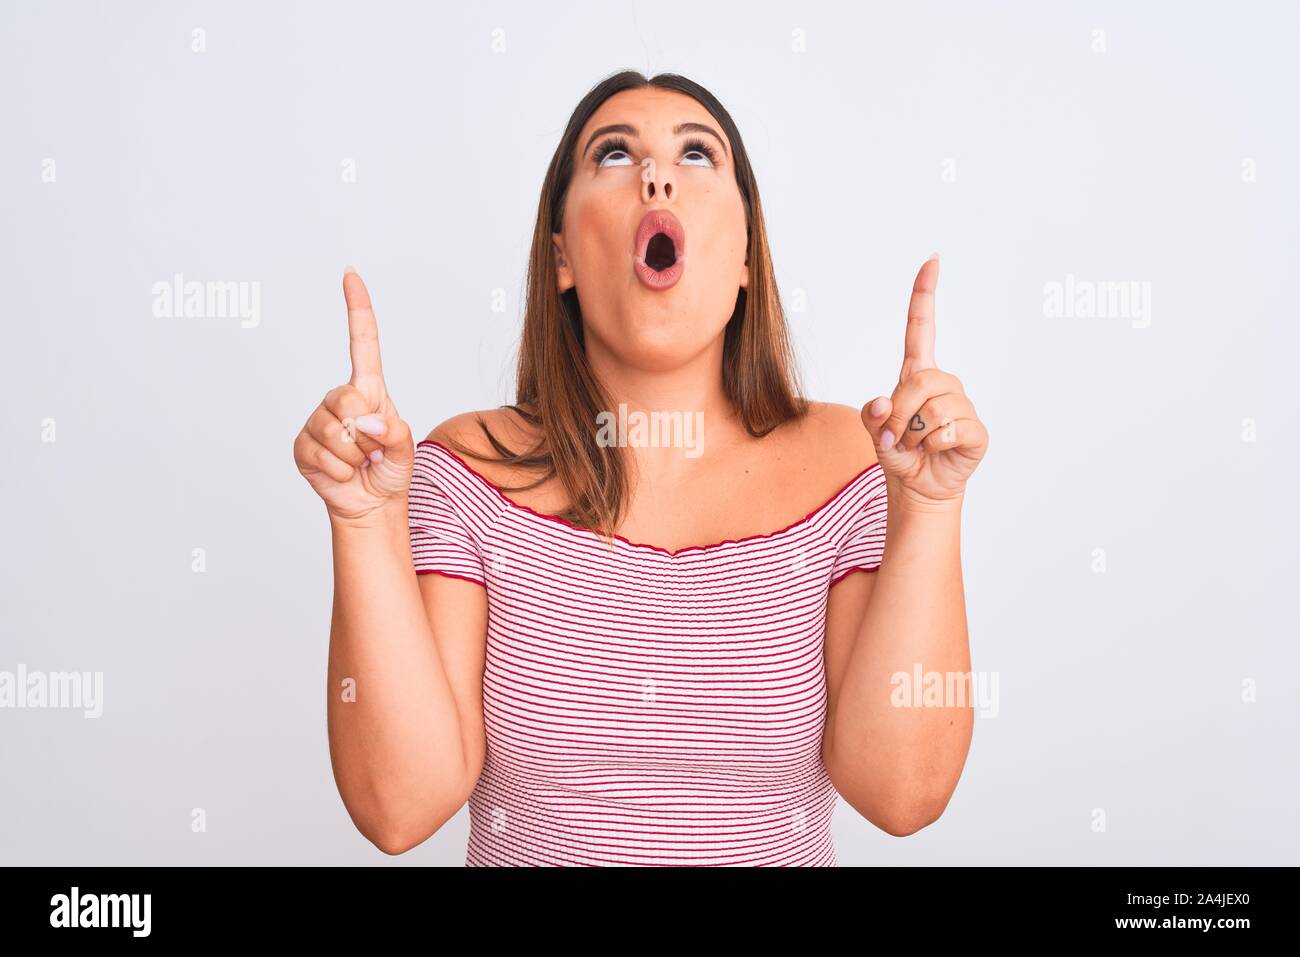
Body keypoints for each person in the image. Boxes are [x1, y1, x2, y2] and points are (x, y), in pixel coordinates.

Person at [294, 70, 989, 865]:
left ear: (746, 259)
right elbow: (398, 808)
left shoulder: (855, 466)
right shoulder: (467, 472)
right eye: (614, 155)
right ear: (561, 255)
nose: (657, 173)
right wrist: (363, 521)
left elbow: (902, 795)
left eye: (698, 156)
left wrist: (929, 511)